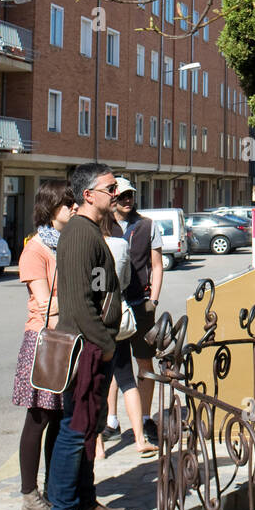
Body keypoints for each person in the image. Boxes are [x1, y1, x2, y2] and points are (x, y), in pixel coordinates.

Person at [45, 162, 126, 510]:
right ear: (88, 194)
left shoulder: (91, 230)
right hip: (86, 349)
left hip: (94, 347)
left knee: (90, 428)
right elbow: (78, 303)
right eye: (110, 188)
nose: (116, 193)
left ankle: (85, 501)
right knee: (75, 430)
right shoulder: (80, 233)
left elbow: (98, 289)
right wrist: (105, 345)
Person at [12, 180, 76, 510]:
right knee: (38, 419)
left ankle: (54, 487)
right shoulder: (35, 250)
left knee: (58, 419)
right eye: (67, 204)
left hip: (65, 340)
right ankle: (29, 496)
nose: (72, 209)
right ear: (51, 209)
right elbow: (44, 304)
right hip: (43, 343)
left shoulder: (65, 244)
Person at [102, 179, 164, 446]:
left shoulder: (148, 225)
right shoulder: (103, 225)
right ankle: (111, 421)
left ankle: (146, 418)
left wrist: (155, 300)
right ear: (113, 197)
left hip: (140, 304)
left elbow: (157, 264)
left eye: (131, 196)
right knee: (114, 365)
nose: (128, 200)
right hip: (113, 305)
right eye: (123, 196)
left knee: (145, 363)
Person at [97, 205, 155, 459]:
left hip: (94, 318)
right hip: (118, 313)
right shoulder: (121, 246)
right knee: (127, 379)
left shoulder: (89, 245)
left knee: (97, 381)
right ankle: (140, 438)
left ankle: (98, 446)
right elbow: (128, 278)